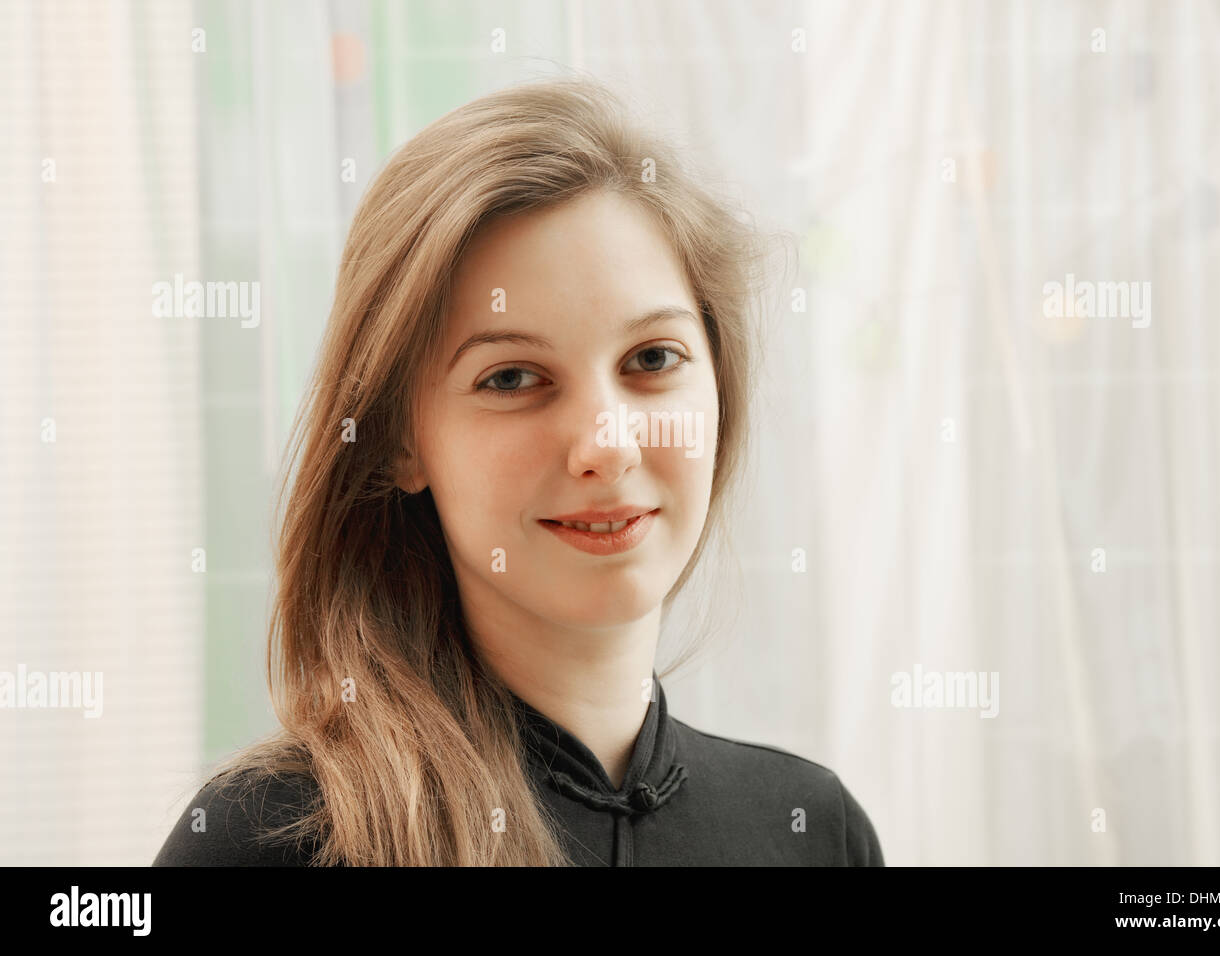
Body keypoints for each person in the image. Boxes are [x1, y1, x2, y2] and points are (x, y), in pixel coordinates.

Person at [153, 75, 884, 867]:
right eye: (511, 378)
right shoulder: (266, 842)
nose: (606, 445)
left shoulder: (813, 831)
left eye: (651, 359)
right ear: (399, 440)